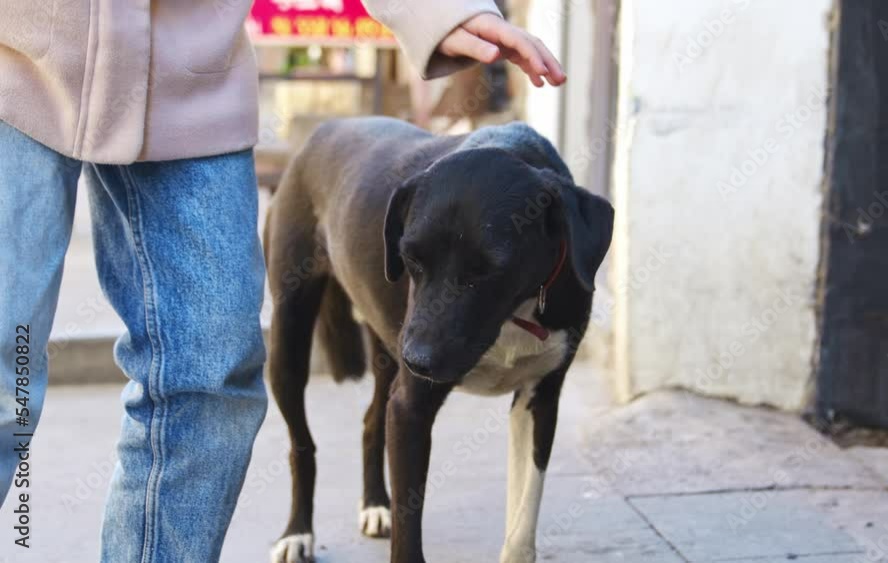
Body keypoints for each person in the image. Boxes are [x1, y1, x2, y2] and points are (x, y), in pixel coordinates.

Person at [0, 1, 563, 560]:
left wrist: (438, 8)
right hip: (13, 57)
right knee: (6, 370)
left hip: (189, 78)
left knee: (209, 380)